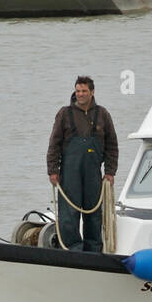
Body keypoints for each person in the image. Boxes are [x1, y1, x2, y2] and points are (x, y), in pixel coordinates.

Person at [47, 76, 118, 252]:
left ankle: (94, 249)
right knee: (69, 213)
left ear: (92, 92)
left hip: (93, 172)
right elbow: (54, 144)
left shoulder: (103, 114)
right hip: (69, 172)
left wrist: (110, 172)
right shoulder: (64, 114)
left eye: (84, 91)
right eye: (78, 91)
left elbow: (112, 145)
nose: (80, 94)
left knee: (93, 213)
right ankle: (73, 249)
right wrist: (52, 171)